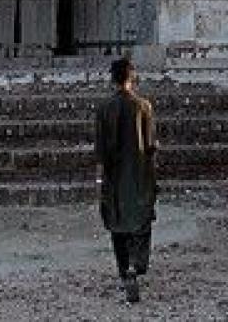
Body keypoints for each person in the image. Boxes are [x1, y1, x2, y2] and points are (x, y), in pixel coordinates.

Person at [94, 54, 157, 303]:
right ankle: (136, 265)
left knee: (117, 222)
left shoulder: (103, 109)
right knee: (141, 221)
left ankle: (123, 270)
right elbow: (151, 146)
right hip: (140, 173)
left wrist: (99, 180)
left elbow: (100, 151)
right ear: (132, 78)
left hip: (114, 175)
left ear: (112, 80)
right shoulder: (143, 107)